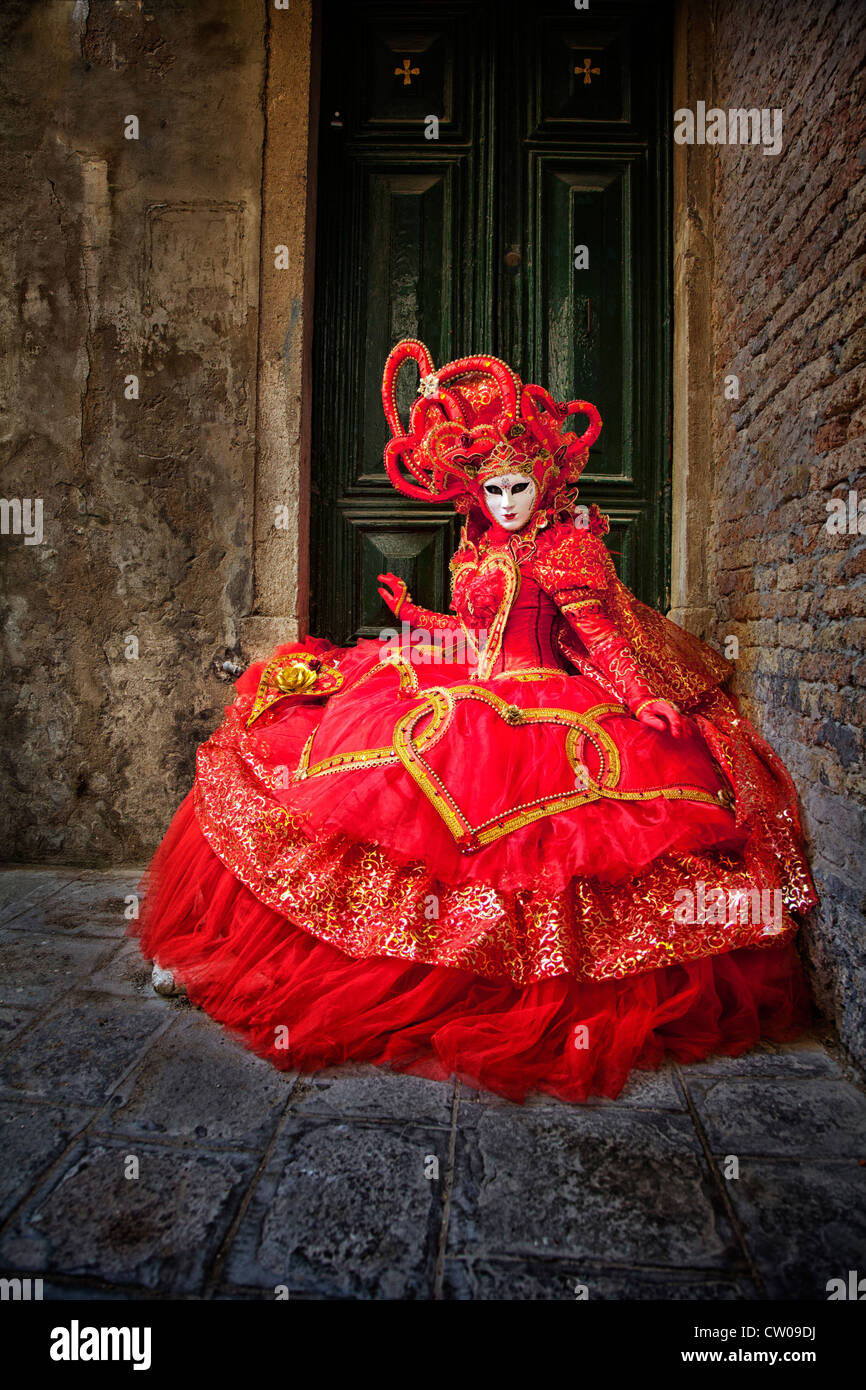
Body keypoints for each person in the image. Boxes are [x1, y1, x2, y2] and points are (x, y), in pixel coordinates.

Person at [132, 339, 816, 1102]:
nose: (507, 504)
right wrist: (416, 617)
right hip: (471, 689)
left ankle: (480, 990)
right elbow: (472, 635)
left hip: (545, 712)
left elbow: (601, 640)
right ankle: (251, 957)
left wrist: (640, 696)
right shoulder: (476, 548)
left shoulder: (568, 552)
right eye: (494, 492)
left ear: (546, 482)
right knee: (344, 780)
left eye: (519, 488)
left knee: (532, 855)